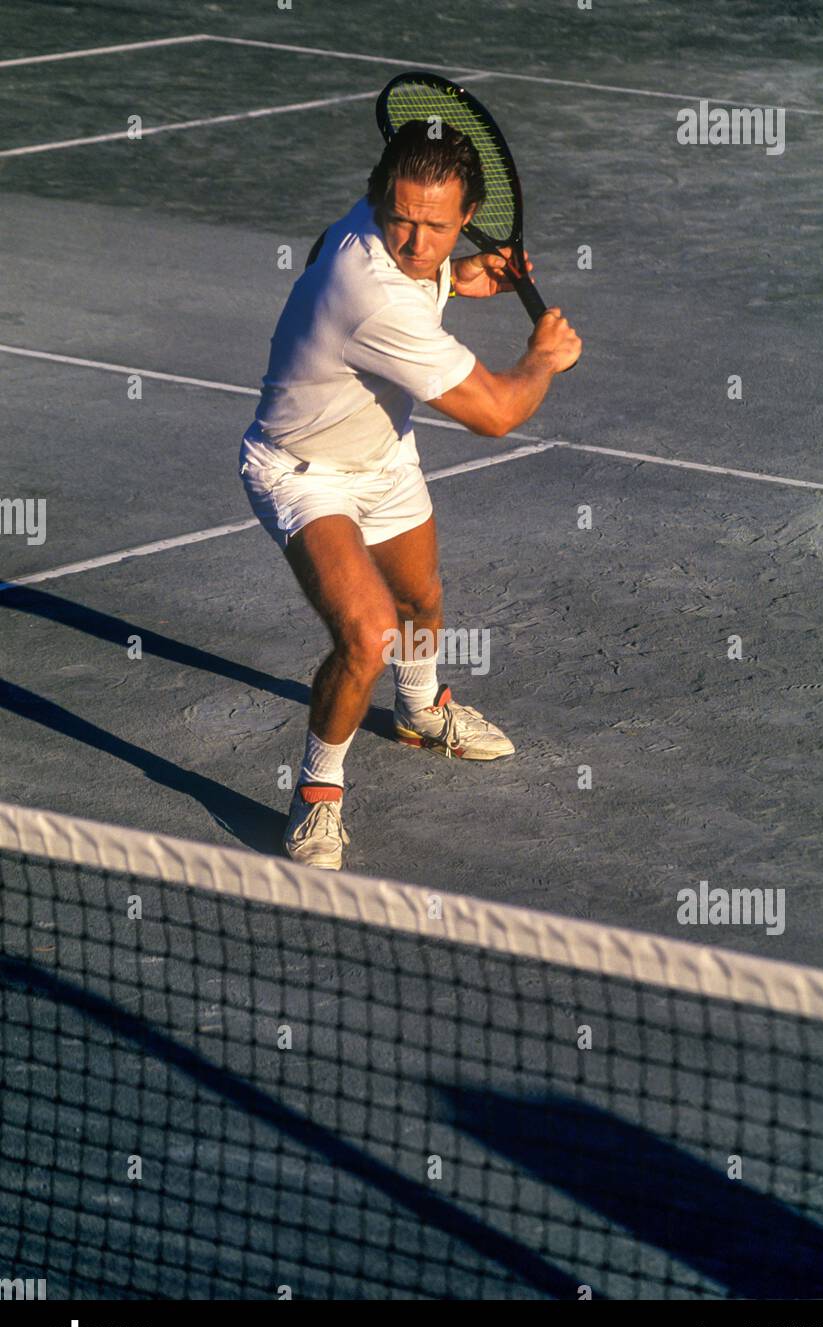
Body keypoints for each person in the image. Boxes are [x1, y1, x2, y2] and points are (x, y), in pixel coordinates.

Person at [240, 120, 581, 870]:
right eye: (401, 219)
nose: (415, 240)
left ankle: (422, 709)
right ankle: (317, 794)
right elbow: (495, 413)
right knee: (367, 634)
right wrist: (542, 357)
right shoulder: (377, 297)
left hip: (384, 456)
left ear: (466, 219)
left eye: (435, 225)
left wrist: (455, 278)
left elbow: (324, 252)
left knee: (421, 599)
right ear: (378, 201)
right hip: (301, 470)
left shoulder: (364, 232)